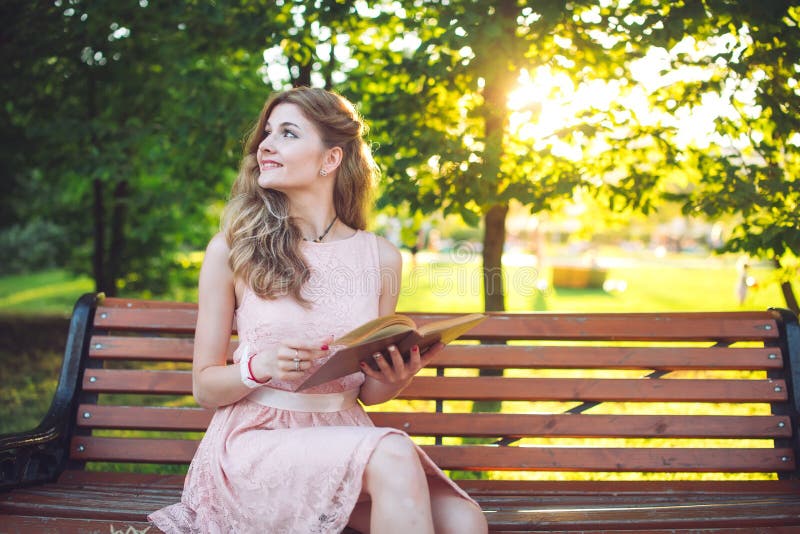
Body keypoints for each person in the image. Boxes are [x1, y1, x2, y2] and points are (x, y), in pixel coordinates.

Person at [148, 86, 488, 534]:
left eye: (287, 133)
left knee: (465, 520)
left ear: (331, 160)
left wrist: (392, 378)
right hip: (256, 444)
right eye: (267, 133)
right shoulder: (233, 249)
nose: (265, 145)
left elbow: (368, 392)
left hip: (345, 436)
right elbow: (205, 388)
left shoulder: (380, 257)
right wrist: (259, 366)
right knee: (393, 451)